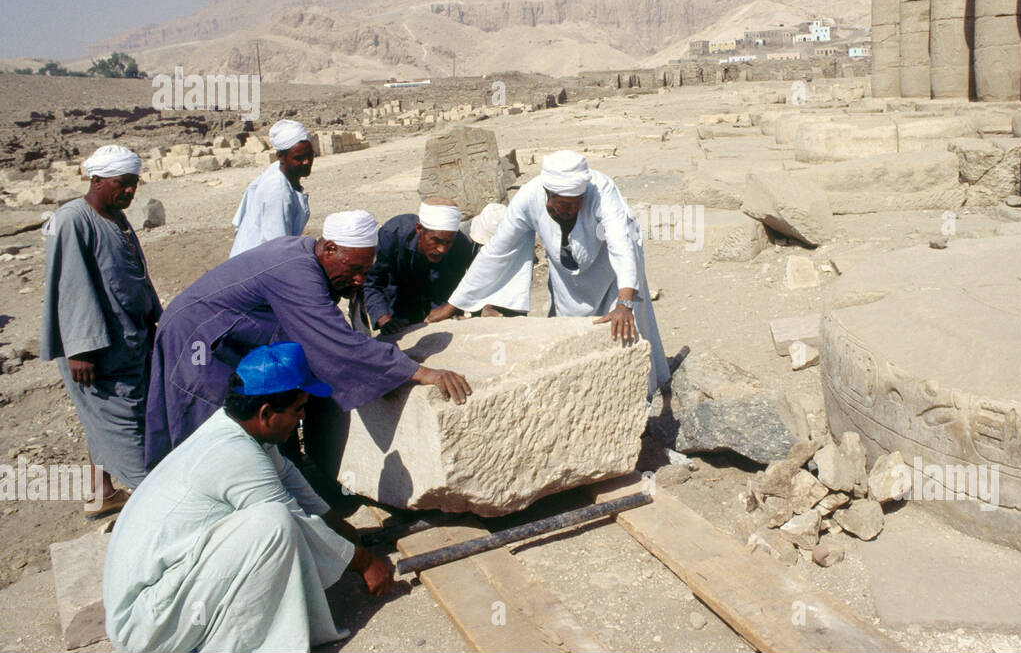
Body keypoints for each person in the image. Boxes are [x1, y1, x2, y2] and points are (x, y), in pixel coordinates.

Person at [104, 342, 393, 652]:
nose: (303, 417)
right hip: (146, 624)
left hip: (157, 599)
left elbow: (288, 478)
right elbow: (293, 518)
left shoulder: (236, 428)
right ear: (266, 413)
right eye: (298, 410)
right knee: (274, 524)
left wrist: (339, 527)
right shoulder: (232, 453)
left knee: (277, 521)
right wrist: (363, 563)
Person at [144, 210, 470, 469]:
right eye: (354, 268)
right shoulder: (295, 270)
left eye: (366, 271)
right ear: (329, 248)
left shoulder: (312, 257)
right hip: (197, 339)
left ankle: (281, 474)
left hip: (225, 334)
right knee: (213, 423)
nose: (359, 278)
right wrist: (414, 371)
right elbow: (332, 340)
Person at [430, 150, 669, 400]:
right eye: (566, 205)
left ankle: (641, 396)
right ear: (548, 195)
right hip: (567, 274)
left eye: (578, 202)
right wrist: (453, 304)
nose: (574, 209)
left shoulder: (601, 191)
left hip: (611, 267)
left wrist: (625, 301)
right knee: (569, 332)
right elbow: (497, 251)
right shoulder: (528, 197)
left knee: (626, 329)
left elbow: (621, 244)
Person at [40, 145, 162, 516]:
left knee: (100, 421)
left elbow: (133, 275)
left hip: (127, 340)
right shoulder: (73, 220)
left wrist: (153, 318)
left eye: (134, 185)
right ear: (97, 181)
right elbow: (69, 285)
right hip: (97, 354)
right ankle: (159, 504)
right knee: (127, 429)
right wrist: (80, 349)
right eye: (122, 185)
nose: (129, 192)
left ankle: (101, 493)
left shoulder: (116, 218)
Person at [362, 199, 479, 336]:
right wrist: (383, 318)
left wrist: (450, 308)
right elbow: (371, 283)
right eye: (436, 241)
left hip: (439, 306)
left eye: (448, 242)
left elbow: (472, 281)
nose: (442, 249)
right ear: (419, 229)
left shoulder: (460, 243)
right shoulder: (392, 236)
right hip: (399, 304)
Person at [229, 119, 314, 257]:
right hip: (256, 266)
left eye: (310, 155)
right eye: (299, 158)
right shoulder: (278, 190)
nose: (307, 162)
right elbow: (279, 249)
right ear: (281, 156)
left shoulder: (279, 171)